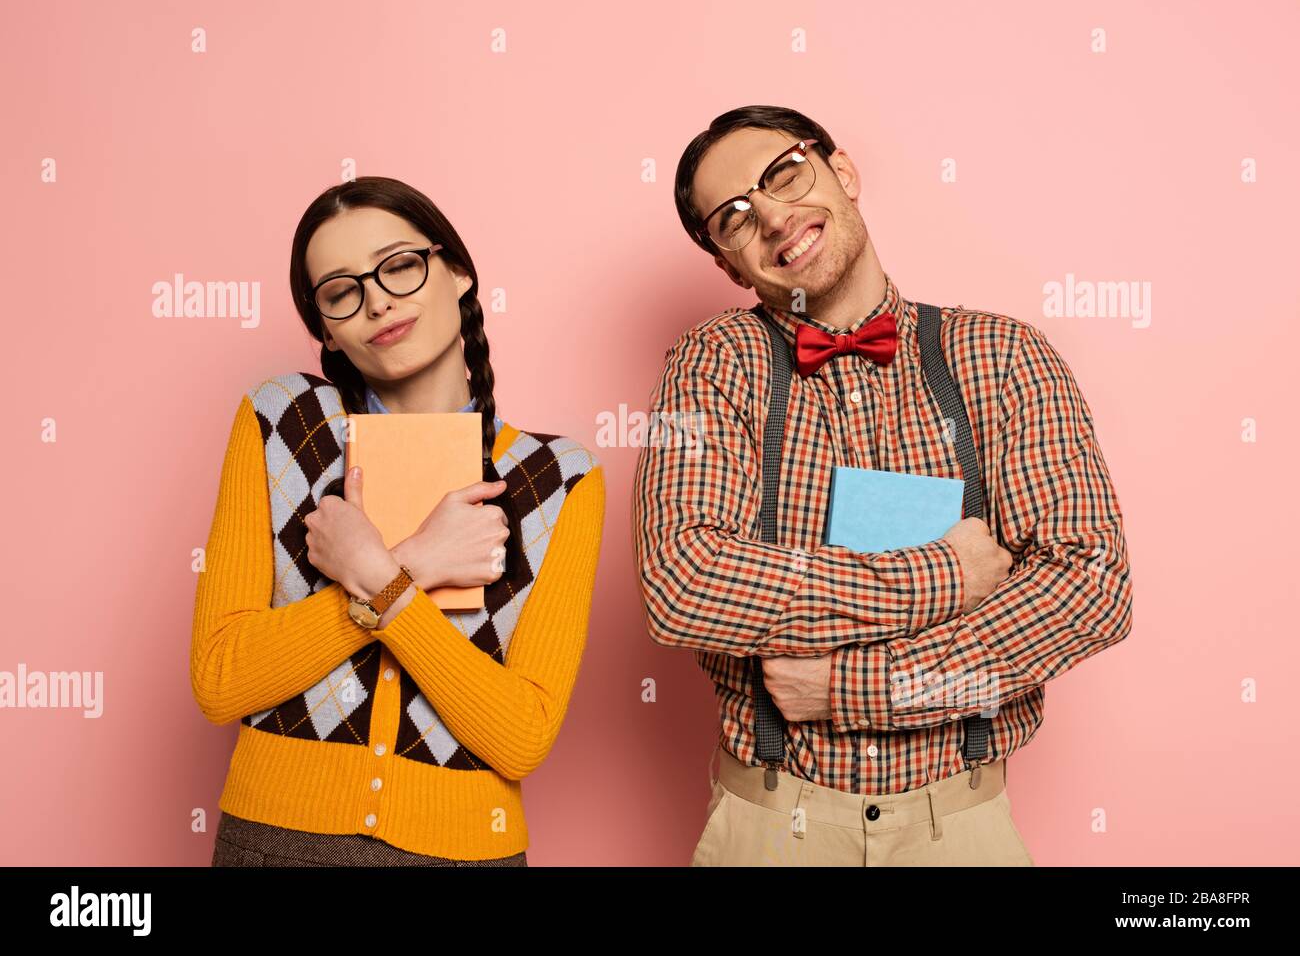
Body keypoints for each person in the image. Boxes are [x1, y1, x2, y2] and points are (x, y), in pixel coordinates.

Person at [631, 105, 1133, 866]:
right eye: (733, 217)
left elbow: (1090, 588)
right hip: (770, 824)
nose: (771, 216)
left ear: (844, 171)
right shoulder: (713, 362)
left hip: (960, 824)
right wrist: (947, 574)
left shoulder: (1003, 356)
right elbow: (685, 583)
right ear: (728, 266)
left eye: (784, 173)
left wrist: (855, 686)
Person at [192, 176, 604, 866]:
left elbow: (520, 736)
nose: (377, 299)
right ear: (326, 326)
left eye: (400, 266)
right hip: (276, 839)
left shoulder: (557, 476)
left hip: (466, 850)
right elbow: (220, 677)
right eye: (340, 291)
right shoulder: (282, 420)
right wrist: (415, 563)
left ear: (460, 272)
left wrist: (381, 576)